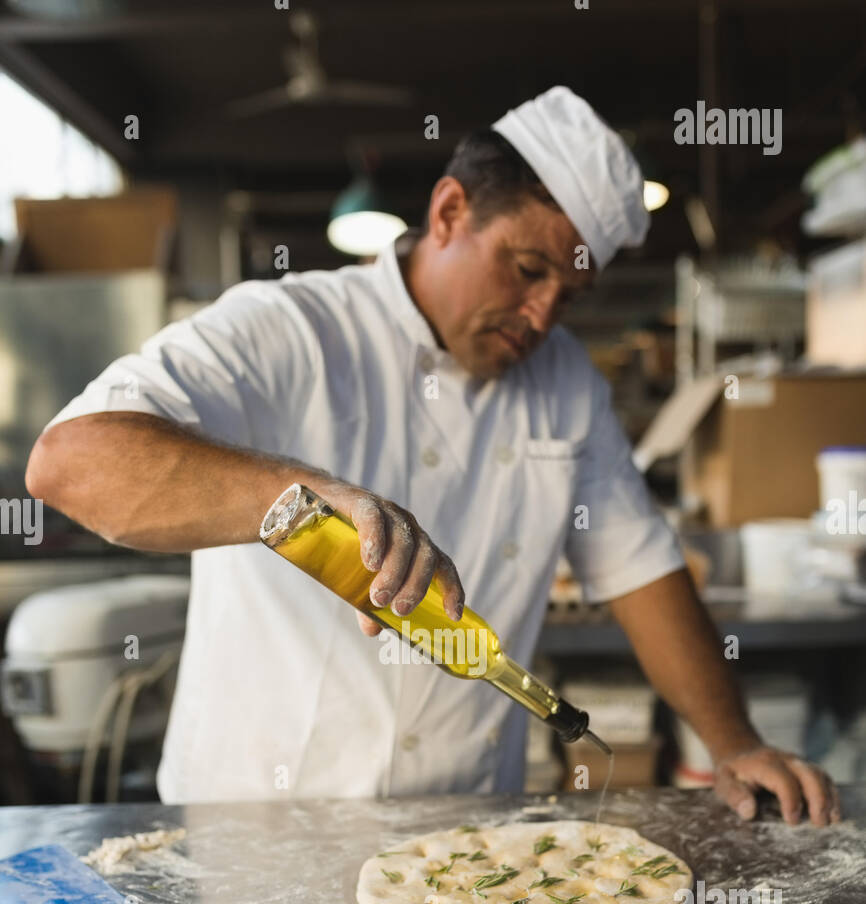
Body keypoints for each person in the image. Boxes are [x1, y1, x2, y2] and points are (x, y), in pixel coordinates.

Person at [27, 87, 838, 825]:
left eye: (570, 294)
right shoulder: (289, 329)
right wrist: (302, 496)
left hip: (463, 832)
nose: (543, 314)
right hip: (251, 829)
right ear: (450, 210)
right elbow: (70, 463)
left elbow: (641, 568)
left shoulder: (566, 385)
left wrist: (733, 742)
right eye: (529, 269)